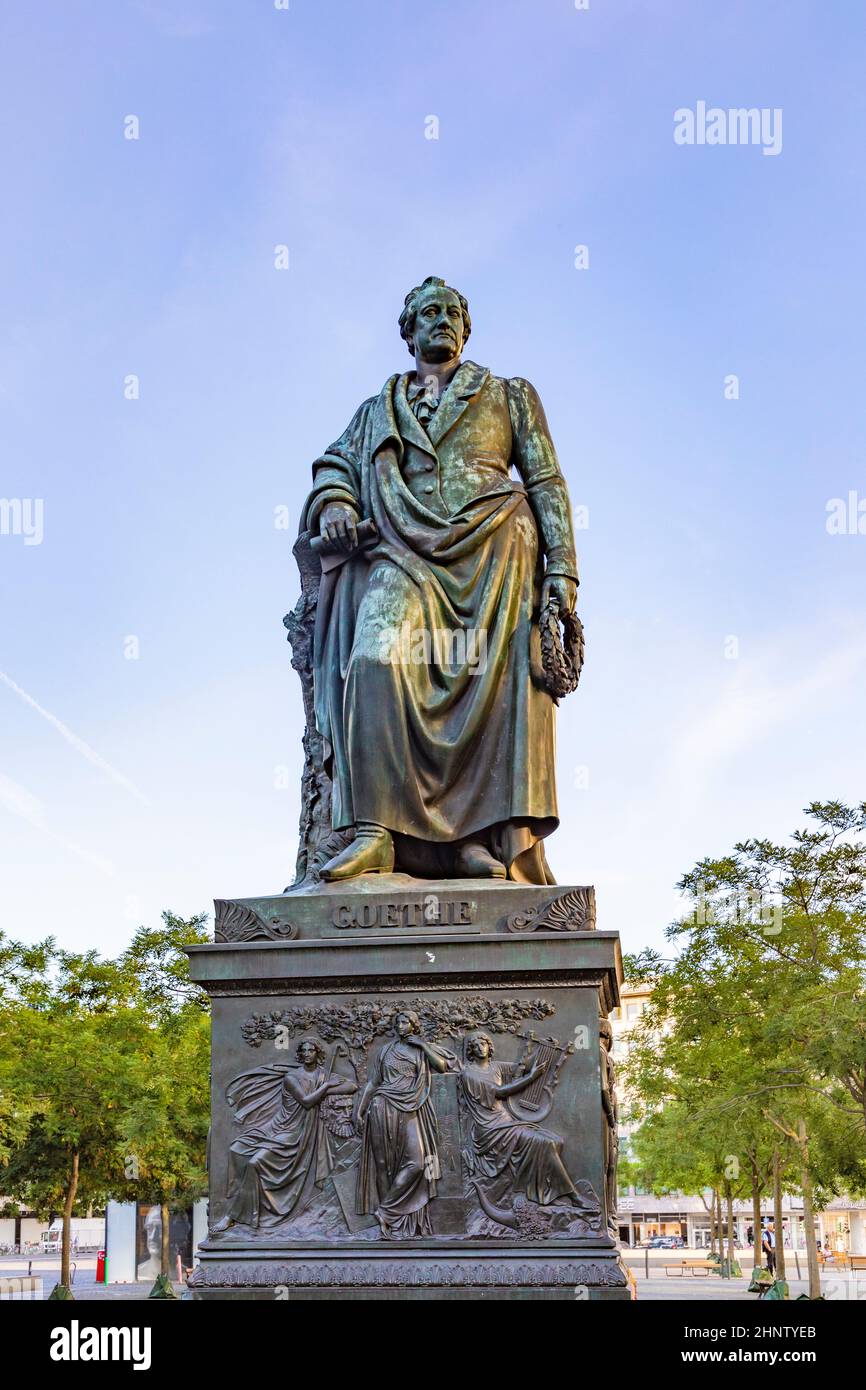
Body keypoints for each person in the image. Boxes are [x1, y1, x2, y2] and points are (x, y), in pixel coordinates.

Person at [302, 276, 579, 884]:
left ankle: (477, 841)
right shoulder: (379, 408)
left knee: (492, 683)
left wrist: (561, 568)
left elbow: (547, 481)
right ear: (409, 332)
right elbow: (334, 466)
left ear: (466, 327)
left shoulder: (509, 394)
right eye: (430, 313)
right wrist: (337, 504)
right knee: (374, 661)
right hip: (404, 552)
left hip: (495, 552)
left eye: (453, 313)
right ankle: (376, 831)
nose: (443, 321)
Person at [213, 1038, 355, 1231]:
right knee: (236, 1150)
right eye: (303, 1050)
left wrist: (327, 1085)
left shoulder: (324, 1075)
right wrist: (327, 1087)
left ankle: (233, 1216)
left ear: (318, 1053)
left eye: (310, 1050)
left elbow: (352, 1086)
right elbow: (306, 1101)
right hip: (281, 1128)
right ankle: (237, 1206)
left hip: (300, 1134)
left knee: (255, 1163)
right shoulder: (292, 1077)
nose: (306, 1053)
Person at [457, 1031, 599, 1221]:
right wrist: (531, 1078)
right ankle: (574, 1197)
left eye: (484, 1043)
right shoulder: (469, 1074)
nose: (480, 1047)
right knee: (544, 1144)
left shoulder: (496, 1067)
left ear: (489, 1047)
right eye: (475, 1045)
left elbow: (520, 1067)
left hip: (505, 1123)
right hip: (489, 1130)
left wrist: (541, 1050)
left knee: (556, 1141)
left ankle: (545, 1194)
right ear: (470, 1050)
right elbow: (500, 1091)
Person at [355, 1010, 455, 1237]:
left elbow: (441, 1066)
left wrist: (423, 1045)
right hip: (382, 1106)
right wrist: (359, 1111)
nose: (400, 1026)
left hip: (410, 1108)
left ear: (414, 1025)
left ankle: (385, 1211)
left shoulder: (420, 1050)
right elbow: (373, 1083)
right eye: (397, 1022)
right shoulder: (385, 1051)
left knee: (418, 1163)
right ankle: (387, 1225)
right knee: (382, 1164)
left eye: (404, 1022)